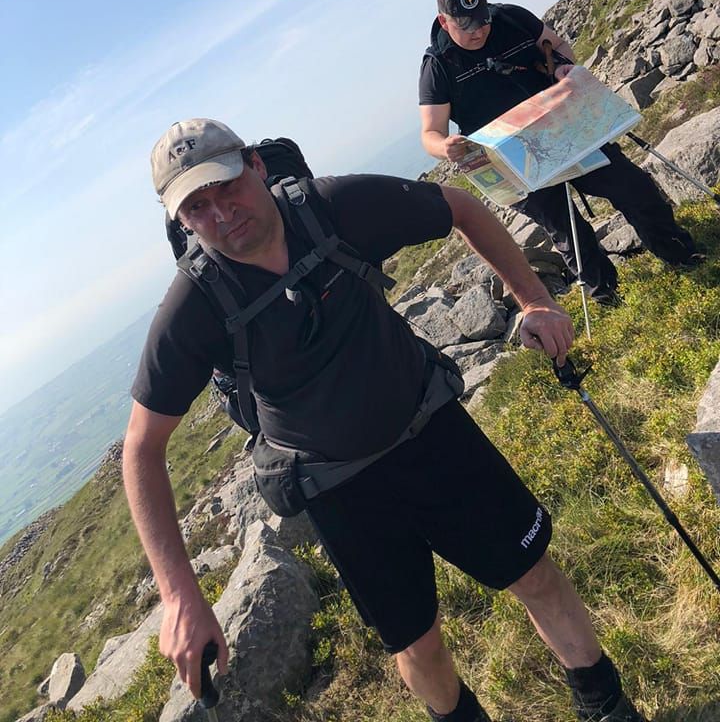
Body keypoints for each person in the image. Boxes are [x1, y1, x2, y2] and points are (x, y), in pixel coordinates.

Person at [123, 118, 646, 722]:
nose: (221, 213)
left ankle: (605, 706)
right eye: (196, 207)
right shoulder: (194, 305)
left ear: (256, 166)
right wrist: (179, 595)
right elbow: (142, 449)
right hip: (339, 489)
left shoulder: (334, 208)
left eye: (227, 186)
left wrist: (534, 300)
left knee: (532, 574)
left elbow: (461, 208)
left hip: (431, 431)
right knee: (417, 644)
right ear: (180, 219)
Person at [418, 0, 698, 304]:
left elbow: (557, 45)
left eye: (482, 20)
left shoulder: (511, 18)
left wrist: (562, 67)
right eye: (466, 25)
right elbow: (430, 133)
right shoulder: (438, 66)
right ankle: (605, 294)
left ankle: (680, 253)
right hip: (512, 159)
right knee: (565, 227)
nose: (478, 31)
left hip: (562, 128)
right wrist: (445, 147)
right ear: (444, 21)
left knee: (630, 184)